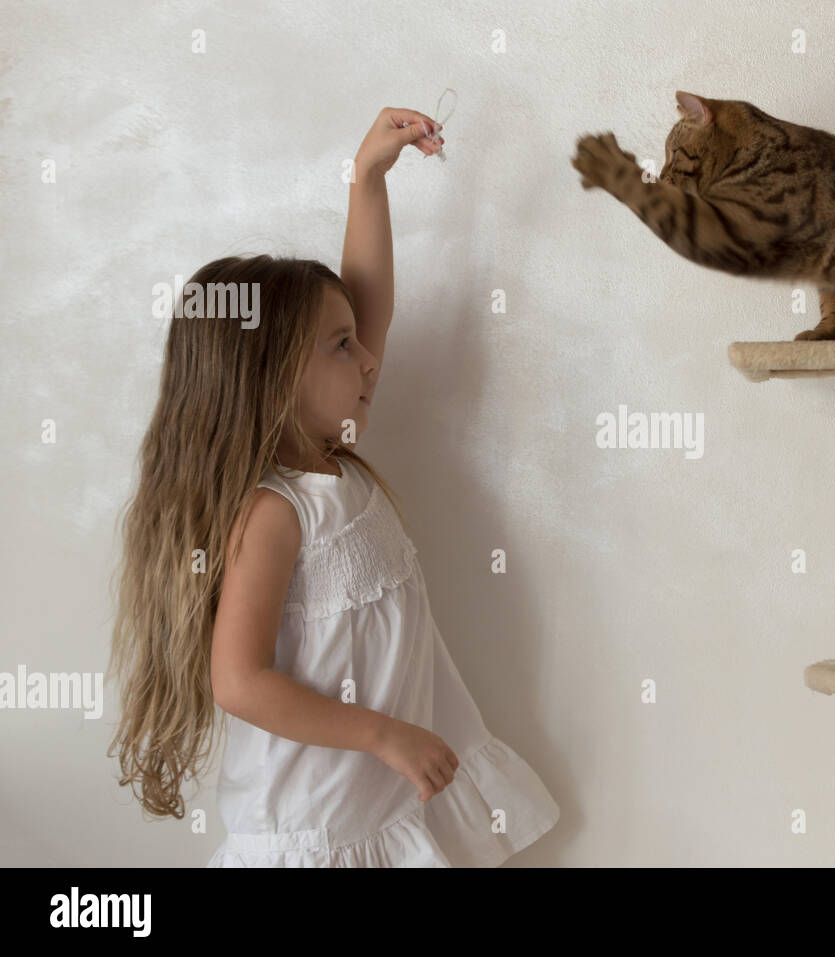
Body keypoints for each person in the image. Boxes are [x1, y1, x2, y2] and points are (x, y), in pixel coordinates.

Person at [107, 107, 559, 866]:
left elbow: (367, 297)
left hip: (369, 801)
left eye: (357, 342)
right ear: (274, 378)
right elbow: (239, 680)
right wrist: (384, 734)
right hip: (315, 823)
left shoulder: (334, 457)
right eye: (343, 347)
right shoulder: (276, 512)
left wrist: (369, 178)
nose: (370, 360)